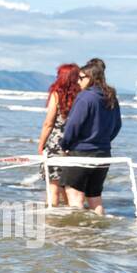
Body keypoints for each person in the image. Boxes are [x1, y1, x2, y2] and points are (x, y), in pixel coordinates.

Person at [58, 58, 122, 215]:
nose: (78, 82)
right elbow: (117, 126)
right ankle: (97, 236)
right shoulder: (111, 97)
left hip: (81, 153)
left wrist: (65, 145)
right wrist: (103, 141)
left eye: (81, 78)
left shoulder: (85, 97)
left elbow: (73, 125)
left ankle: (77, 236)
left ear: (91, 78)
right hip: (103, 154)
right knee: (95, 199)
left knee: (75, 197)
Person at [37, 63, 81, 207]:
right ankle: (69, 221)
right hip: (75, 144)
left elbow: (48, 123)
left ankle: (52, 220)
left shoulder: (57, 95)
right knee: (69, 189)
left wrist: (41, 144)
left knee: (53, 188)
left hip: (56, 145)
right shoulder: (82, 96)